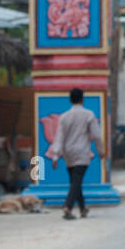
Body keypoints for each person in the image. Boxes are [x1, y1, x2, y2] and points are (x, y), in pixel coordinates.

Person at [48, 88, 102, 220]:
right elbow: (97, 135)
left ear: (70, 100)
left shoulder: (64, 117)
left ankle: (83, 209)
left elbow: (59, 137)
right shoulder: (88, 115)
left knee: (75, 181)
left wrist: (55, 156)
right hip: (82, 152)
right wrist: (101, 151)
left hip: (68, 154)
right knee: (76, 181)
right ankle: (68, 206)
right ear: (82, 99)